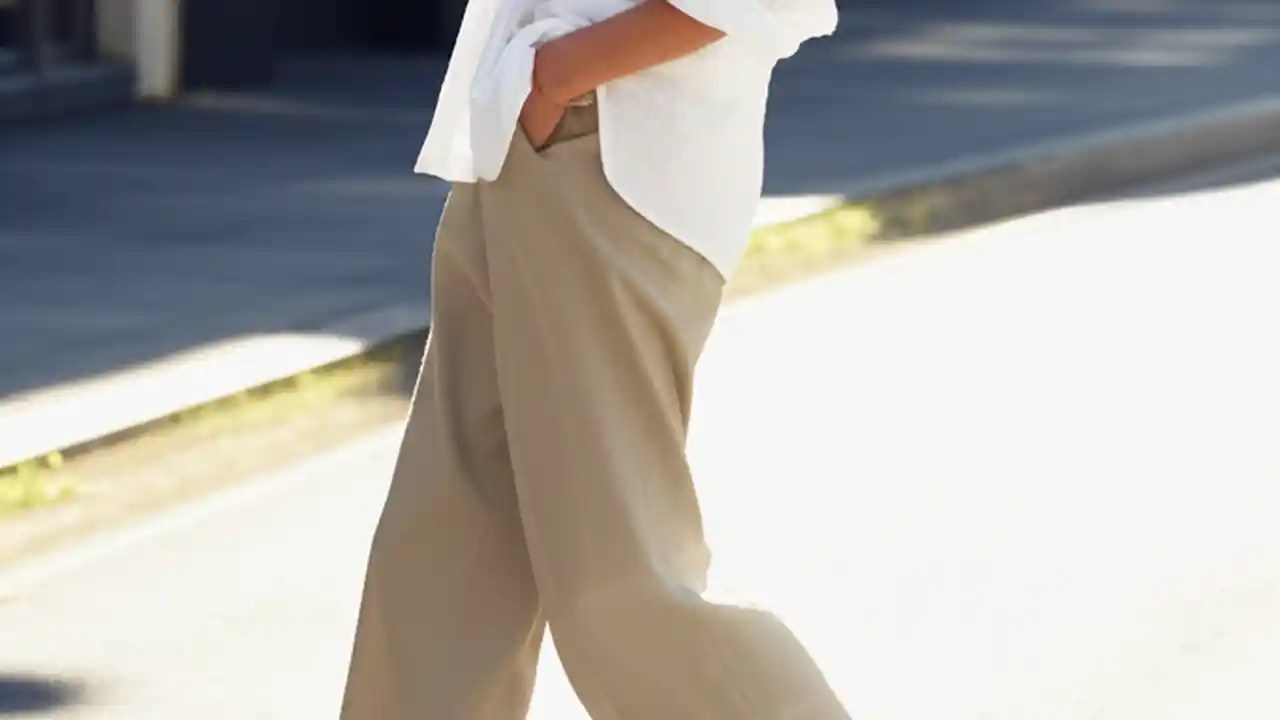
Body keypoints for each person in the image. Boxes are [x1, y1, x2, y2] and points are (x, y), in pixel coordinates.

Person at [339, 0, 850, 717]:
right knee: (440, 564)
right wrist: (531, 87)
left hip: (609, 158)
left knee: (619, 590)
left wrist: (560, 77)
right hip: (522, 138)